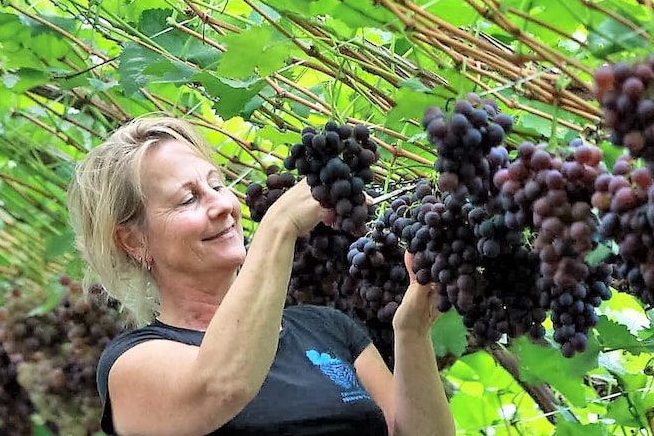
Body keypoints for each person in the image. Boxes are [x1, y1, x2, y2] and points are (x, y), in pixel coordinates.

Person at [66, 116, 455, 436]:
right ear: (133, 240)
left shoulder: (327, 329)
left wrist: (412, 333)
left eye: (216, 184)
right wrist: (279, 225)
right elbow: (222, 386)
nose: (221, 204)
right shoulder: (131, 364)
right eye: (189, 199)